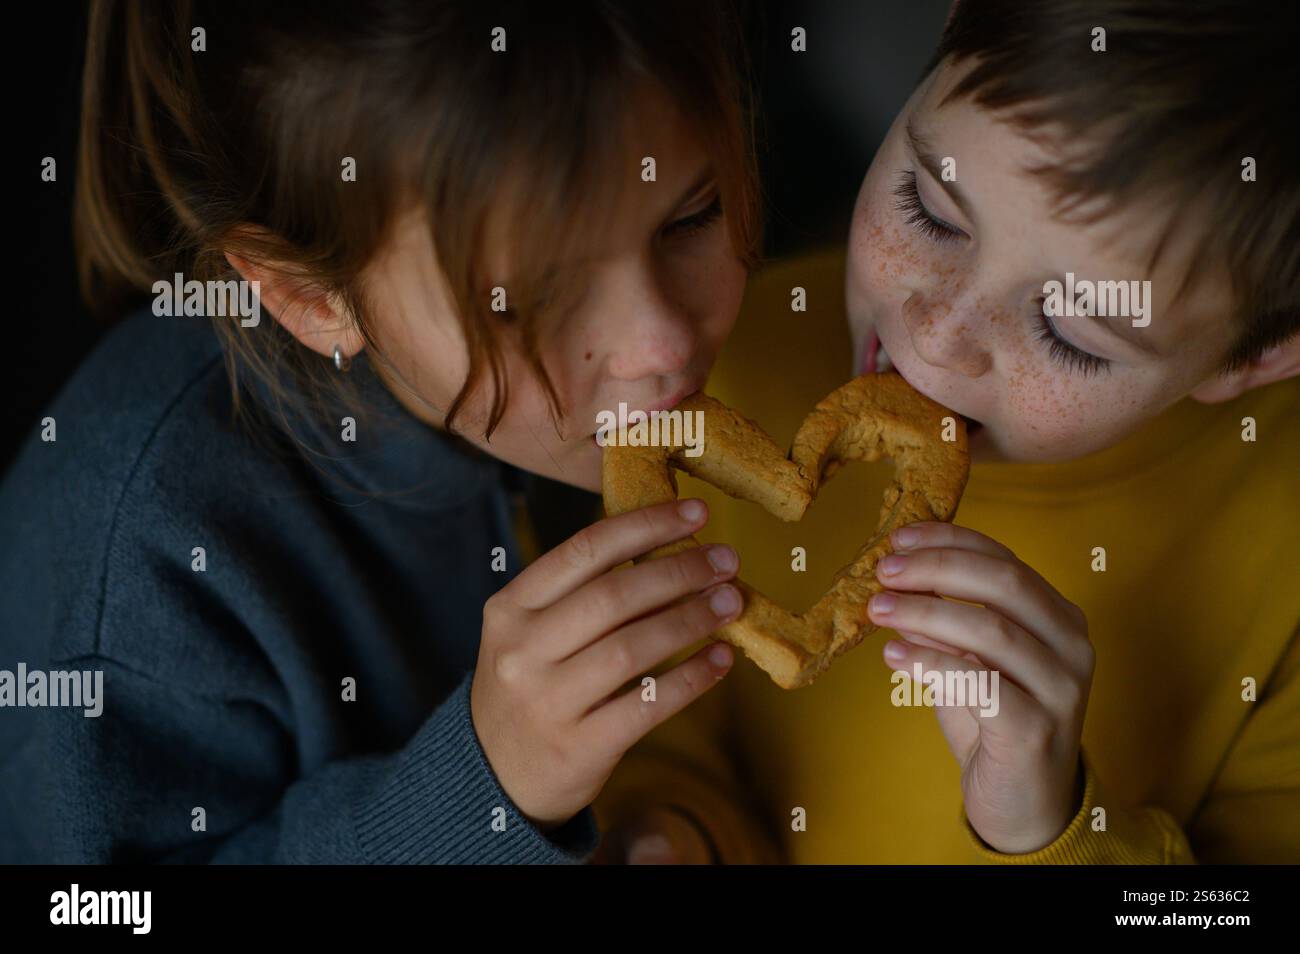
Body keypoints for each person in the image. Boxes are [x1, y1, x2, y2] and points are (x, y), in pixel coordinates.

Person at [0, 0, 769, 863]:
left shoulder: (698, 385)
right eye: (535, 297)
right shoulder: (140, 556)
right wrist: (484, 789)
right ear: (309, 294)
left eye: (691, 216)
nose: (663, 343)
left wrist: (665, 822)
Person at [595, 0, 1299, 863]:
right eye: (931, 210)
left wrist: (1049, 829)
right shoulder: (710, 361)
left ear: (1260, 355)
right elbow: (665, 720)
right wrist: (672, 829)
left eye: (1071, 333)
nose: (933, 336)